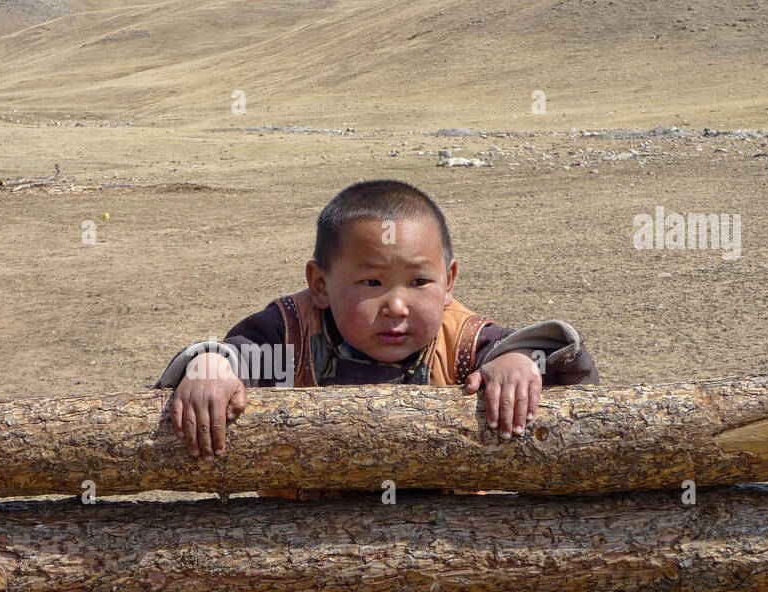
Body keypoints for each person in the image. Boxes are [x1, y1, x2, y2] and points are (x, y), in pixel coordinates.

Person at [153, 179, 600, 473]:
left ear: (449, 282)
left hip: (447, 554)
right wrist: (211, 366)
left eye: (419, 282)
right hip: (299, 551)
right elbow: (240, 354)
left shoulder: (465, 341)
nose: (397, 307)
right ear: (320, 284)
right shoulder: (289, 332)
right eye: (371, 283)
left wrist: (518, 360)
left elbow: (568, 377)